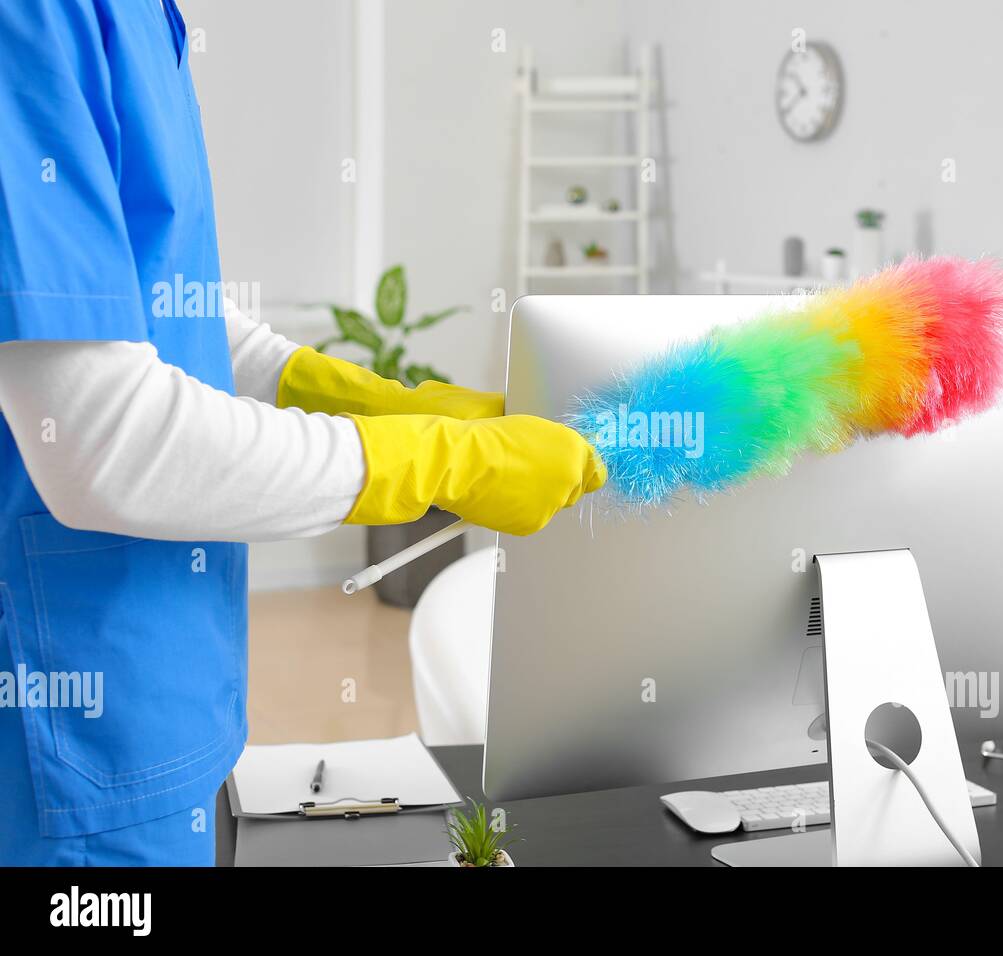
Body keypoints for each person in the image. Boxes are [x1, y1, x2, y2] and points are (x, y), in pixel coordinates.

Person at [0, 0, 604, 865]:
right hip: (68, 743)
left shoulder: (145, 20)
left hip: (167, 701)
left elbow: (173, 309)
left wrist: (352, 394)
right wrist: (429, 458)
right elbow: (103, 442)